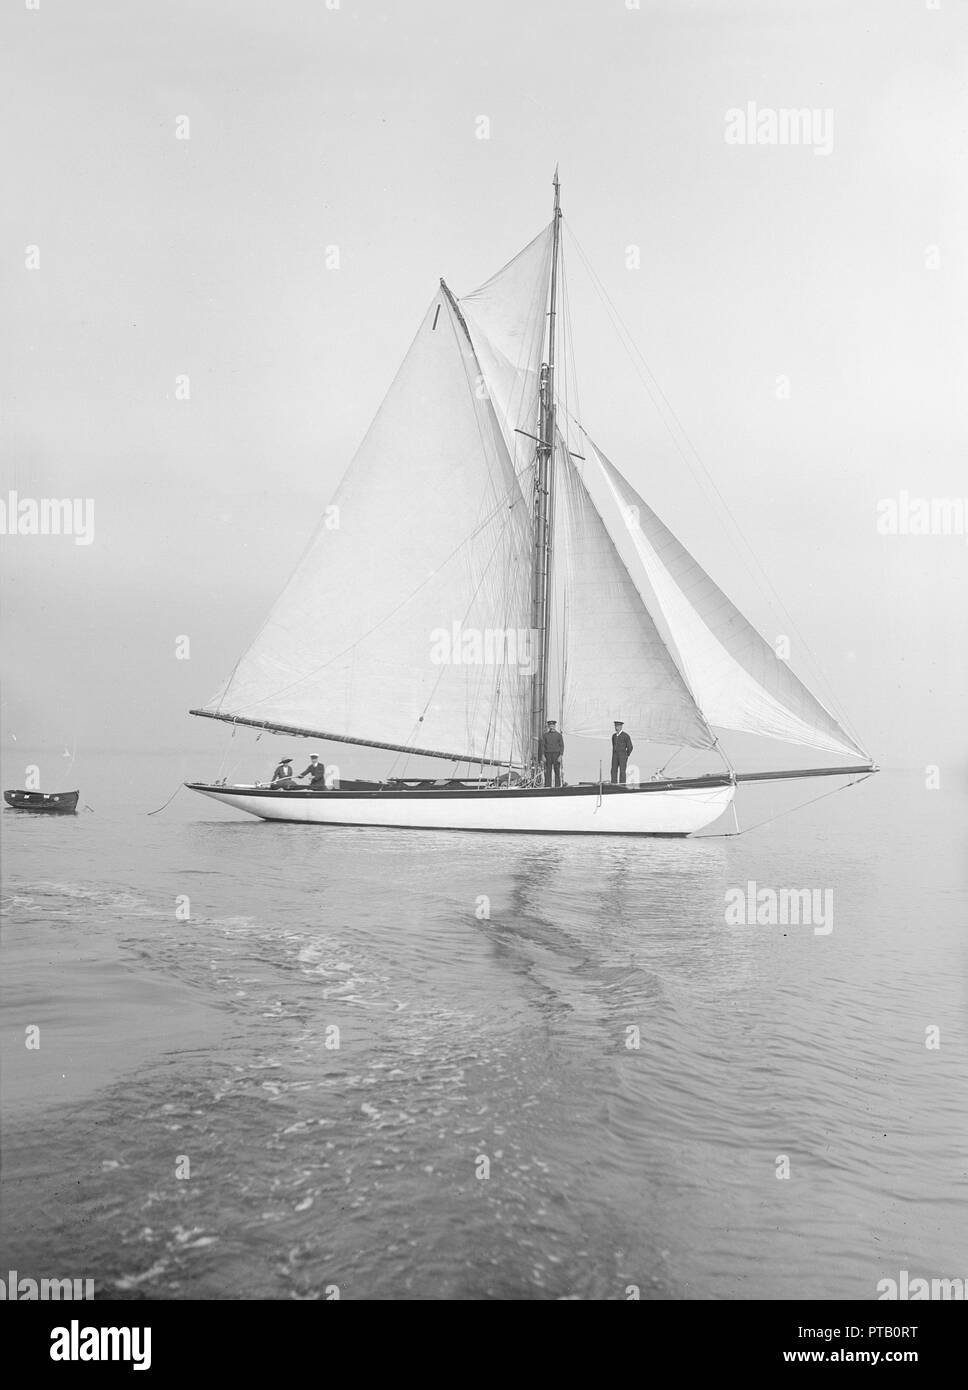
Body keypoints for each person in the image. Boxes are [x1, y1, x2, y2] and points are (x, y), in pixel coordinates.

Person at [539, 719, 564, 788]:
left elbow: (562, 746)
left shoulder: (559, 735)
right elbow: (543, 746)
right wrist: (543, 755)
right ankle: (547, 785)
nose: (551, 727)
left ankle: (557, 786)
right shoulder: (545, 735)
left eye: (552, 725)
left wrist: (560, 756)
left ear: (555, 726)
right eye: (550, 726)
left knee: (557, 771)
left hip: (556, 754)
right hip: (548, 755)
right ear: (548, 726)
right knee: (548, 771)